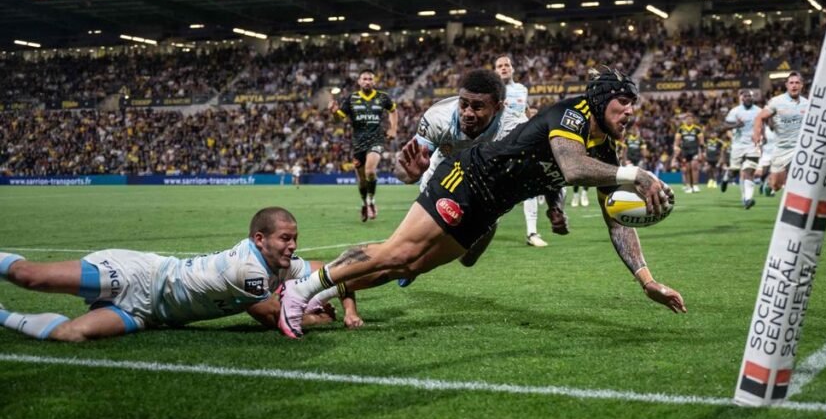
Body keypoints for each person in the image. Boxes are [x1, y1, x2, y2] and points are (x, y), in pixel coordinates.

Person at [277, 68, 685, 339]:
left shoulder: (607, 151)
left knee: (408, 266)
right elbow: (573, 167)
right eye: (623, 103)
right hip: (466, 178)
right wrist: (637, 174)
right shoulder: (572, 115)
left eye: (633, 105)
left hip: (489, 208)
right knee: (398, 251)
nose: (630, 112)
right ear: (600, 100)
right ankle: (299, 291)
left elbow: (616, 221)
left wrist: (646, 280)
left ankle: (320, 295)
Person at [0, 208, 355, 342]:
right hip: (139, 275)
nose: (293, 246)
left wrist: (348, 305)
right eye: (285, 239)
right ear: (259, 239)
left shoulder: (280, 262)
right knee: (30, 276)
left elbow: (334, 272)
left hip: (149, 313)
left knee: (72, 333)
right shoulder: (246, 268)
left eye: (295, 239)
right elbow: (272, 316)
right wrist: (315, 317)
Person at [392, 68, 550, 284]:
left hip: (483, 186)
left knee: (468, 259)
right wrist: (408, 174)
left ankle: (484, 225)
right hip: (442, 175)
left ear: (498, 107)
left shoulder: (515, 128)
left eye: (477, 107)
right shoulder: (439, 117)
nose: (467, 112)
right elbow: (402, 168)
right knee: (419, 240)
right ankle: (413, 265)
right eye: (463, 104)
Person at [495, 54, 549, 248]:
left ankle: (532, 233)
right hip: (500, 145)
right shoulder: (492, 90)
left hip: (522, 143)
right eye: (500, 66)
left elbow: (525, 110)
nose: (503, 68)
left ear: (512, 68)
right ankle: (485, 227)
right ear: (495, 71)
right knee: (495, 189)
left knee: (530, 186)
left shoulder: (522, 89)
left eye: (506, 65)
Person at [330, 70, 398, 222]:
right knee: (361, 180)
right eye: (364, 79)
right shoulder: (351, 98)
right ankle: (364, 203)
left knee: (370, 171)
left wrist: (393, 129)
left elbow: (393, 111)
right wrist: (334, 113)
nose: (367, 82)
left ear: (374, 82)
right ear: (359, 82)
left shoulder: (382, 97)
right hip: (358, 143)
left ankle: (371, 201)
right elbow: (338, 119)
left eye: (370, 79)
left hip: (376, 140)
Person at [753, 72, 809, 193]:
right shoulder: (776, 102)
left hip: (801, 148)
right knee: (776, 185)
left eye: (797, 83)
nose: (794, 85)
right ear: (786, 85)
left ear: (802, 85)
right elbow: (759, 118)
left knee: (800, 181)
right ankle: (769, 183)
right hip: (782, 148)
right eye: (791, 83)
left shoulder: (808, 104)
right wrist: (757, 134)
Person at [722, 89, 761, 209]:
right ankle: (726, 177)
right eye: (746, 96)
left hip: (753, 145)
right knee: (734, 171)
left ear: (753, 98)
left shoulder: (759, 111)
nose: (748, 98)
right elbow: (725, 126)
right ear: (742, 98)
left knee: (749, 172)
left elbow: (764, 124)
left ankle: (748, 199)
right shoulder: (735, 111)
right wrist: (736, 125)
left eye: (750, 96)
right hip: (738, 145)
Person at [673, 112, 704, 193]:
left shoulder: (697, 129)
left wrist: (702, 152)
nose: (689, 120)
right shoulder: (681, 129)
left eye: (690, 118)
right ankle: (688, 186)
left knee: (694, 167)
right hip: (685, 151)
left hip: (694, 150)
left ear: (693, 120)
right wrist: (676, 147)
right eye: (687, 119)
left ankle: (695, 185)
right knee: (686, 169)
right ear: (684, 120)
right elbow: (677, 140)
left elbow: (701, 141)